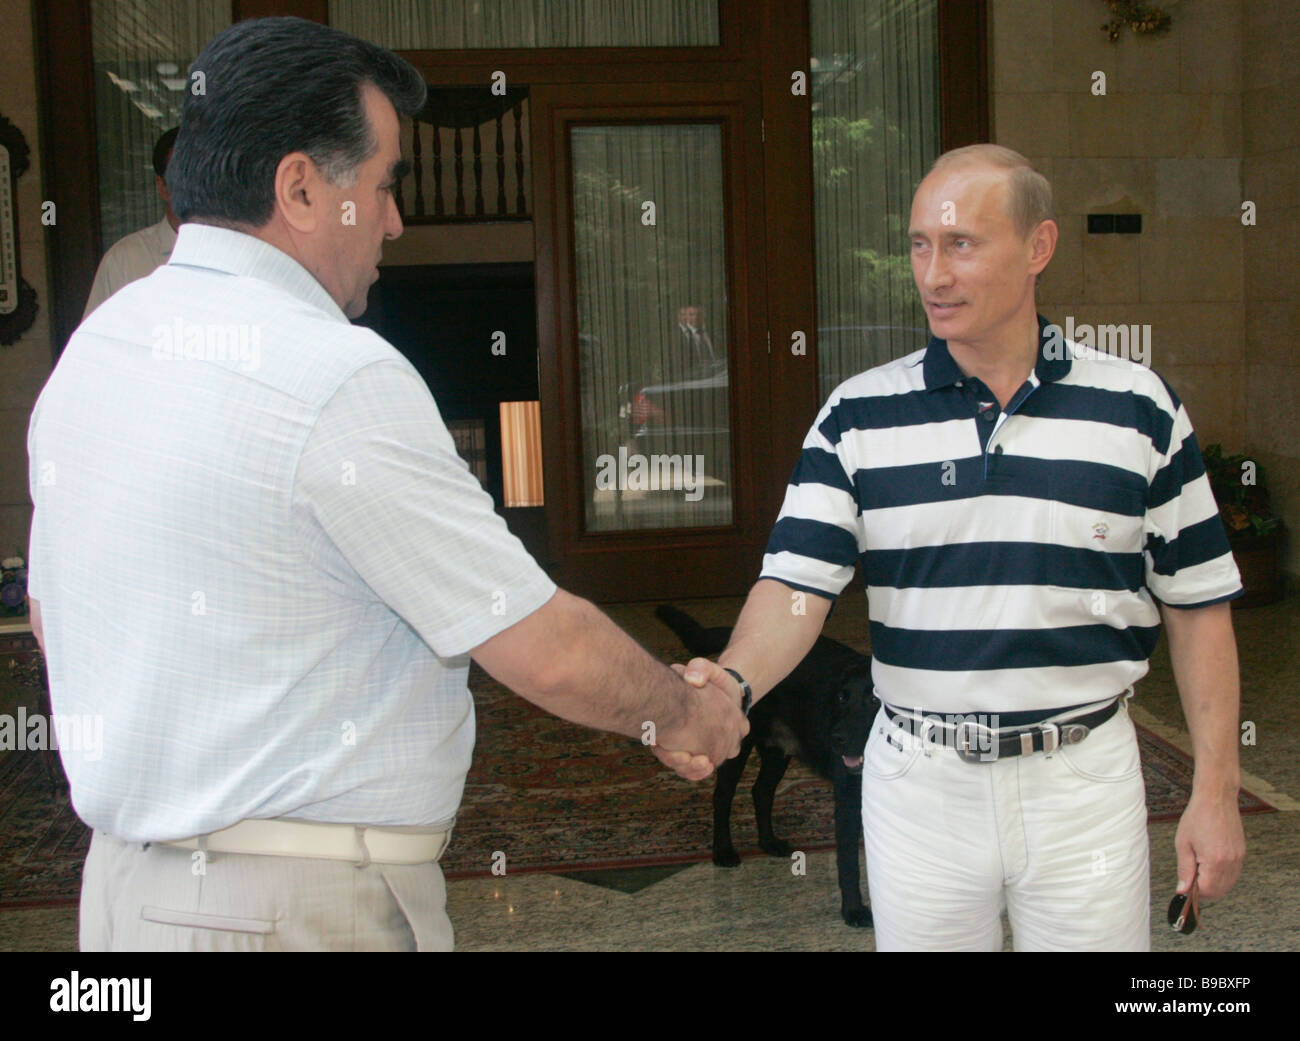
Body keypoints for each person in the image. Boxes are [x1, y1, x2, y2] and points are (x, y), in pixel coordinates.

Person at [26, 17, 746, 953]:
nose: (398, 221)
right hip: (287, 909)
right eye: (383, 184)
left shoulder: (97, 352)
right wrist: (687, 711)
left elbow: (52, 616)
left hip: (126, 898)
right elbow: (542, 646)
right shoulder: (331, 373)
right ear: (299, 187)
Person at [680, 143, 1245, 951]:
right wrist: (731, 683)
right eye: (919, 244)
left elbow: (1197, 608)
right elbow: (797, 587)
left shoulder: (1138, 410)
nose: (933, 273)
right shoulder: (858, 416)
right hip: (920, 783)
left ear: (1039, 247)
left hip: (1084, 781)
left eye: (962, 244)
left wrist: (1216, 792)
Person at [82, 127, 180, 318]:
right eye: (183, 176)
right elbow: (98, 344)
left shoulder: (243, 254)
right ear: (163, 187)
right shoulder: (124, 260)